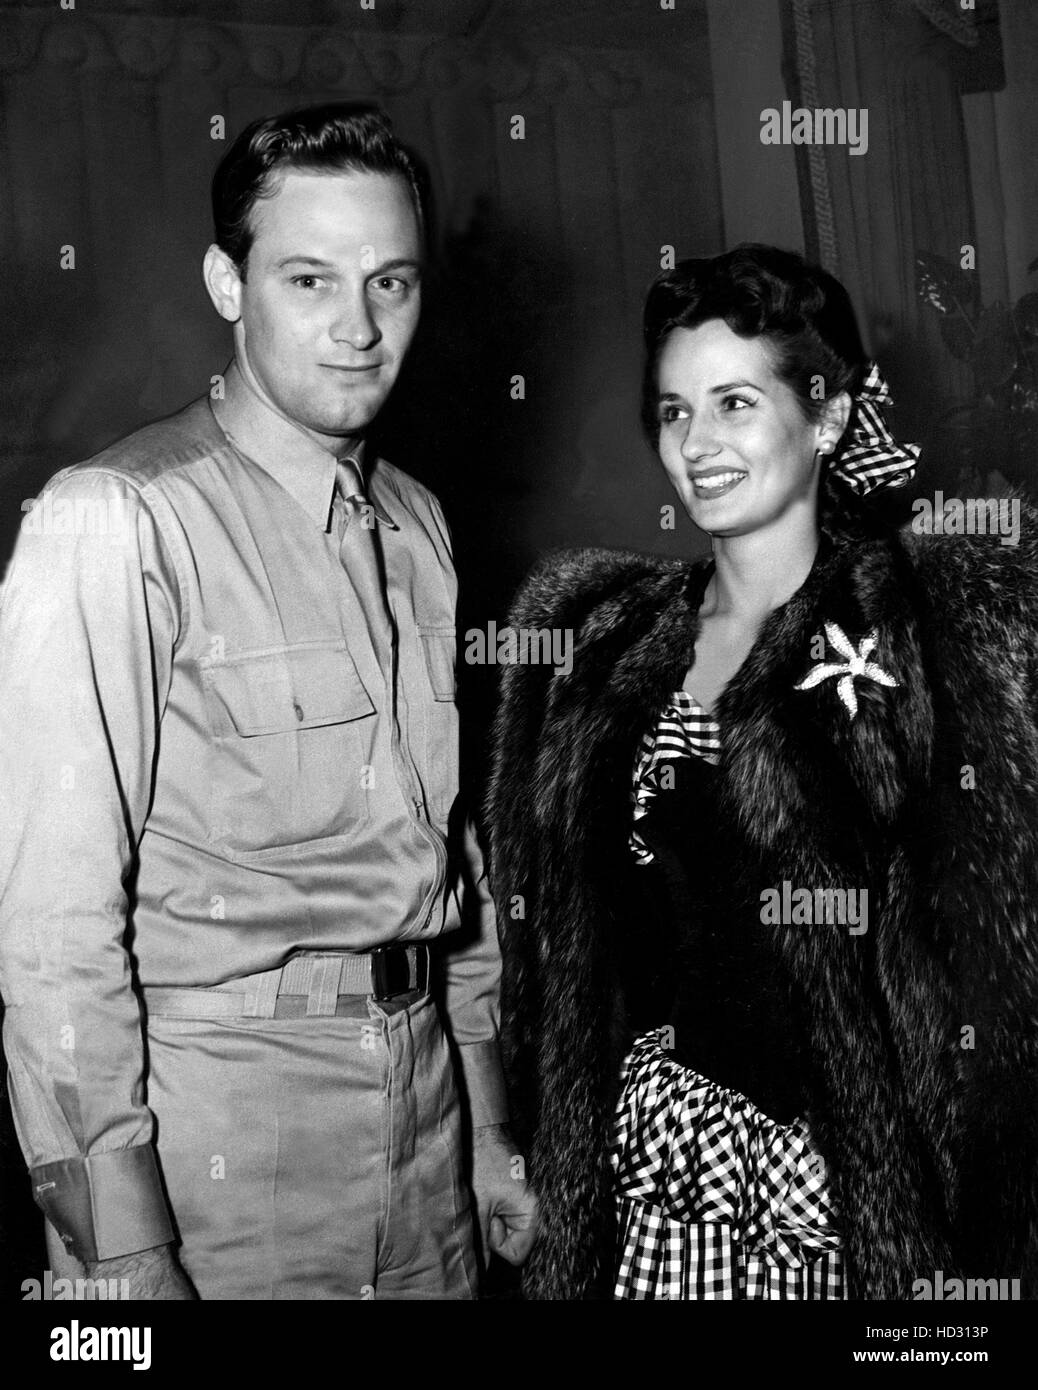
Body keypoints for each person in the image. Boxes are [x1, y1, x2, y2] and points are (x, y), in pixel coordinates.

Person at [0, 102, 536, 1300]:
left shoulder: (418, 522)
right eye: (309, 279)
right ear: (227, 283)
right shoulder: (117, 518)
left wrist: (491, 1131)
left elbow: (450, 864)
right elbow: (51, 927)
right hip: (218, 1155)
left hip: (430, 1138)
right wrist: (121, 1247)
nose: (358, 328)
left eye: (390, 283)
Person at [485, 244, 1038, 1300]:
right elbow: (553, 960)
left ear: (825, 418)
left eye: (736, 402)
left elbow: (1002, 984)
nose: (698, 444)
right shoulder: (606, 642)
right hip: (647, 1174)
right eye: (674, 410)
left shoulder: (932, 641)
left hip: (842, 1206)